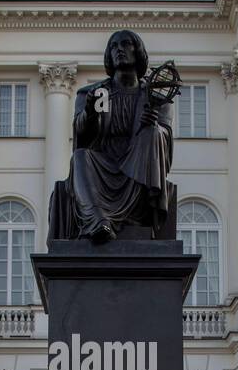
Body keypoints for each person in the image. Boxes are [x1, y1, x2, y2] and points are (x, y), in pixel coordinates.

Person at [47, 29, 175, 244]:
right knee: (80, 157)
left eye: (126, 44)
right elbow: (83, 137)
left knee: (153, 134)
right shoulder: (99, 93)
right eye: (114, 47)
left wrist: (153, 125)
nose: (119, 50)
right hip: (102, 166)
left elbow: (165, 140)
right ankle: (98, 220)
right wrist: (89, 114)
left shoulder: (153, 95)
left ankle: (137, 215)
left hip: (138, 167)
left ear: (139, 52)